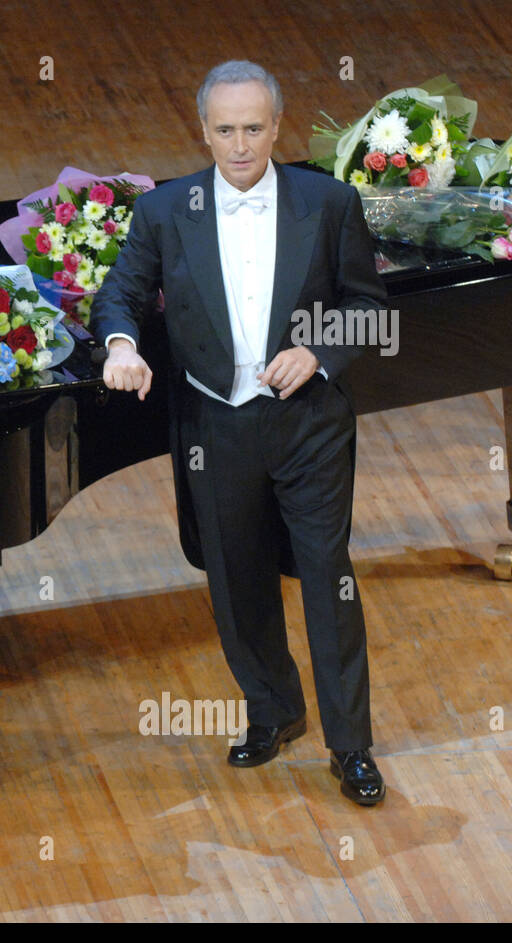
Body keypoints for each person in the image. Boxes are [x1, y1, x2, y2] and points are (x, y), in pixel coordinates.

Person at [91, 61, 388, 805]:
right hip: (212, 427)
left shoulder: (329, 201)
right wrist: (122, 346)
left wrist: (316, 350)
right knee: (236, 580)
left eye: (254, 128)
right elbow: (121, 293)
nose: (241, 145)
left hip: (309, 426)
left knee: (328, 580)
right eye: (225, 130)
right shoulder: (165, 210)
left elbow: (370, 306)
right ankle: (274, 712)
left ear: (277, 127)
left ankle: (350, 746)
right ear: (204, 131)